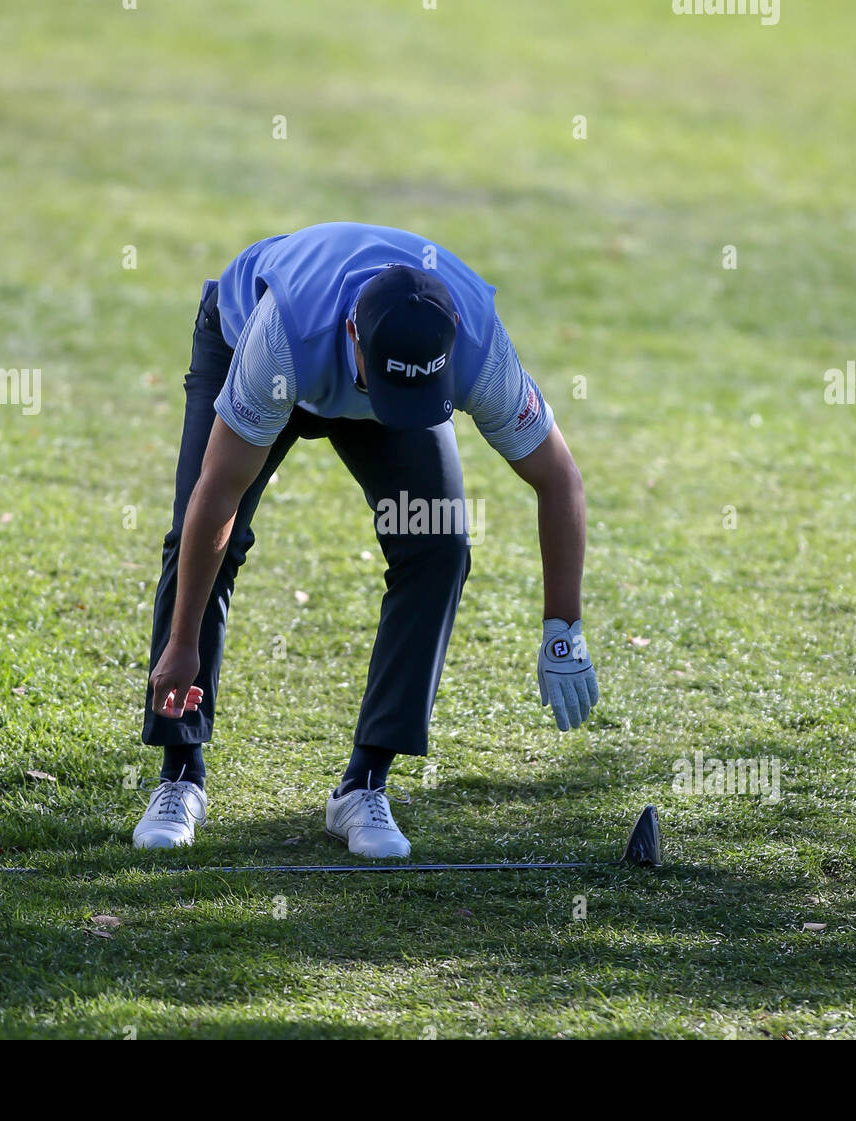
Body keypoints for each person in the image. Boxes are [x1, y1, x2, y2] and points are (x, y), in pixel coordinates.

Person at [133, 222, 598, 857]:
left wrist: (562, 627)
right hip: (256, 344)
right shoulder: (285, 337)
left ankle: (365, 787)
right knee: (208, 534)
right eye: (391, 389)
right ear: (356, 336)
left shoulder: (478, 349)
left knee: (437, 543)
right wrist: (181, 642)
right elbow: (217, 497)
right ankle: (180, 773)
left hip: (363, 364)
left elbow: (559, 479)